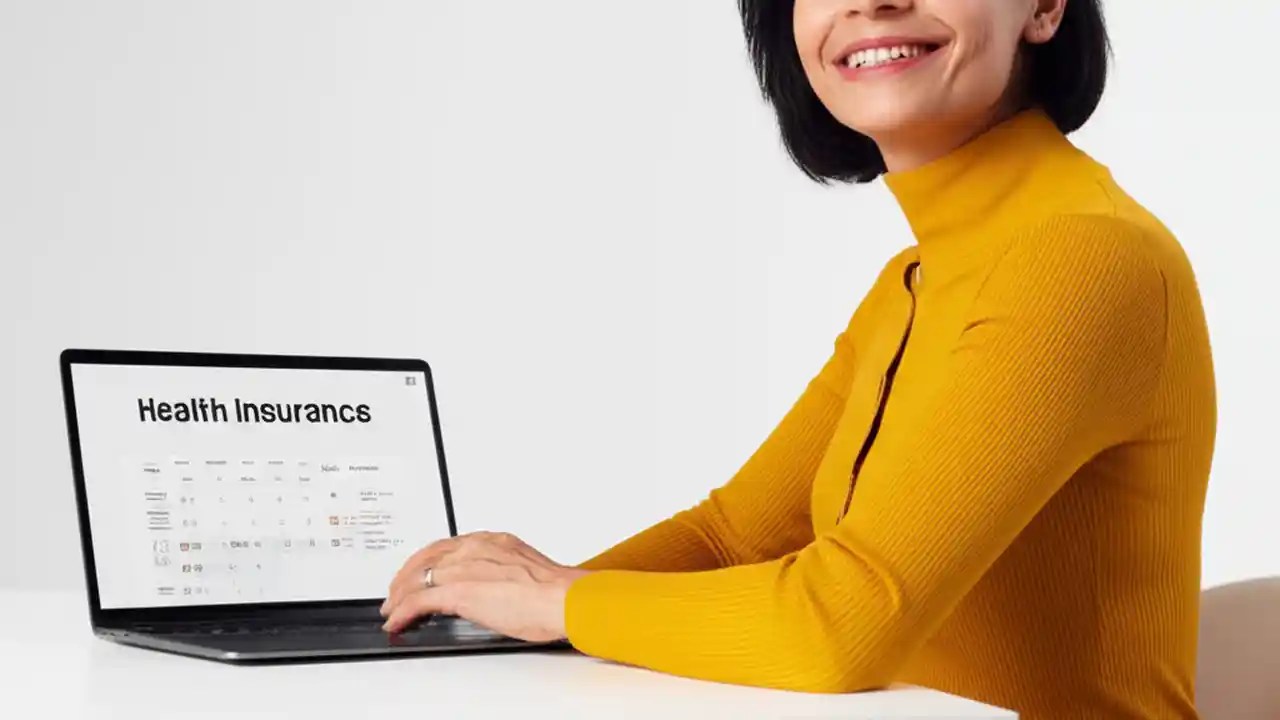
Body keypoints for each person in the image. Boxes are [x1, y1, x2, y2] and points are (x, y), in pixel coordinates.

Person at [379, 0, 1217, 717]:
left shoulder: (1084, 256)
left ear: (1043, 6)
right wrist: (495, 607)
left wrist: (561, 601)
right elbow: (733, 535)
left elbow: (841, 625)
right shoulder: (920, 278)